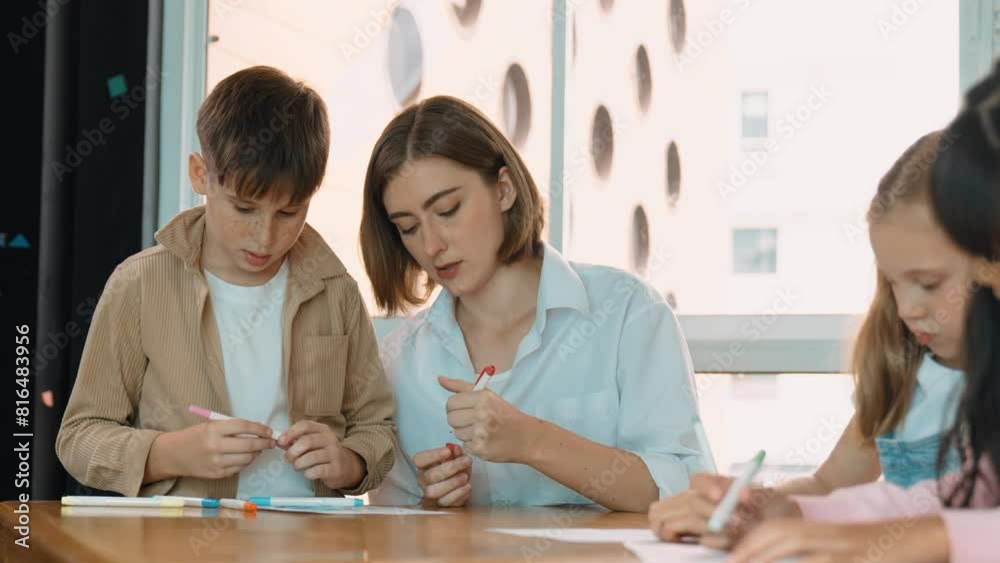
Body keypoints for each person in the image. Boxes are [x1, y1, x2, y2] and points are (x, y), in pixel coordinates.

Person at [57, 66, 395, 499]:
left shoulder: (338, 293)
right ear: (200, 175)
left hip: (313, 545)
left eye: (289, 213)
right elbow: (78, 437)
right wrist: (168, 453)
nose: (265, 237)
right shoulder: (139, 284)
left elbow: (375, 426)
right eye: (244, 208)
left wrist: (349, 463)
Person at [361, 95, 705, 512]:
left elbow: (685, 491)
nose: (432, 245)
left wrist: (531, 440)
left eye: (448, 210)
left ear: (503, 190)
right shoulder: (403, 361)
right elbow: (389, 528)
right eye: (409, 228)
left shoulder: (628, 314)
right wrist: (434, 507)